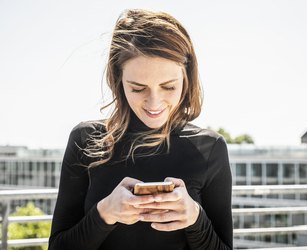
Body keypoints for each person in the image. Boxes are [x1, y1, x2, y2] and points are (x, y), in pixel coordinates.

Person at [48, 8, 233, 250]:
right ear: (118, 79)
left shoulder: (210, 148)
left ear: (186, 78)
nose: (154, 104)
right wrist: (104, 214)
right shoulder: (85, 140)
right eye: (138, 88)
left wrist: (195, 219)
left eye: (168, 87)